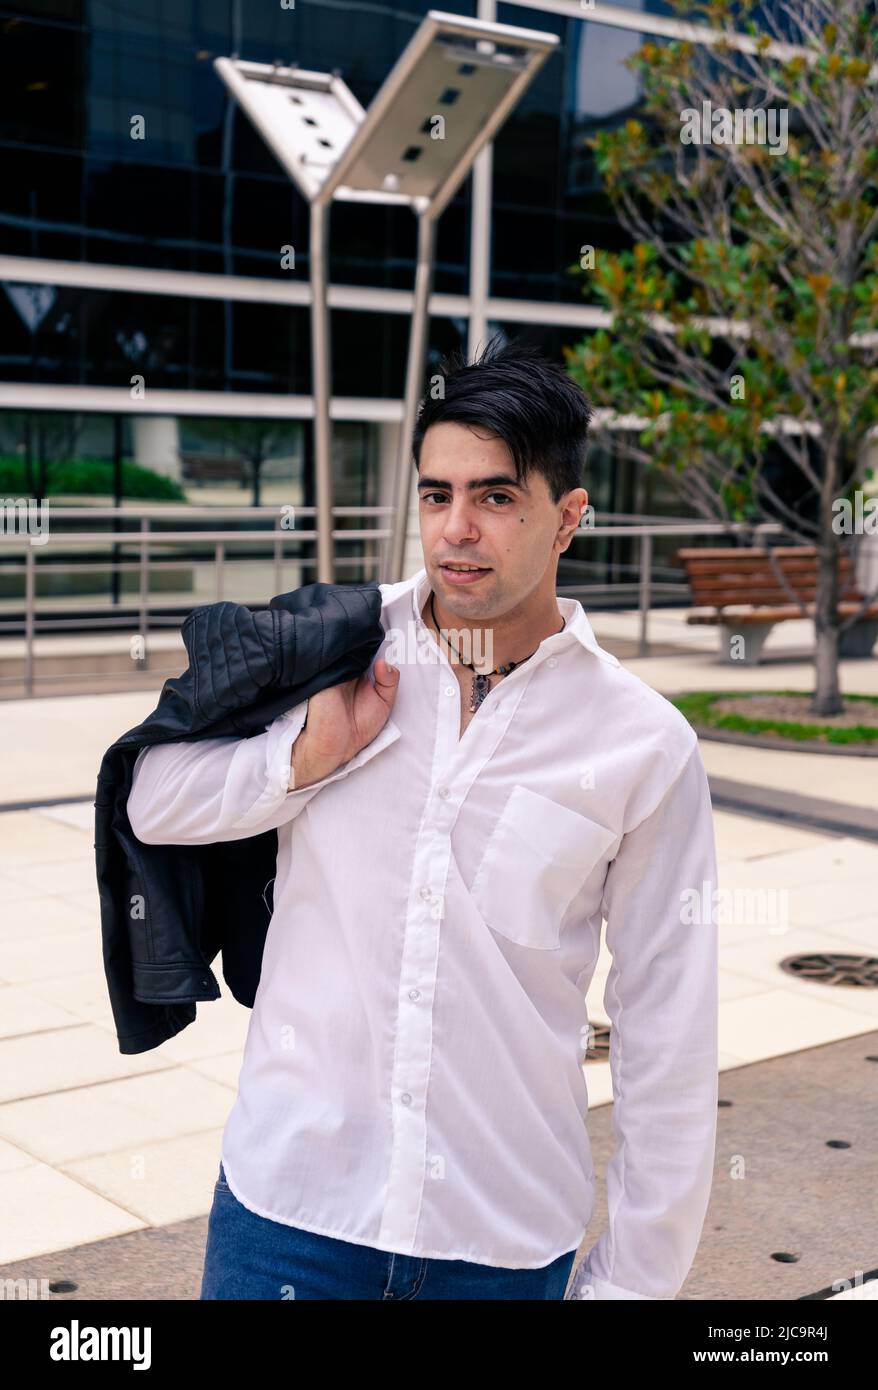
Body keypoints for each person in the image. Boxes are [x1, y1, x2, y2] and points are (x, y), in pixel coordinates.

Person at [127, 336, 719, 1301]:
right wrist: (302, 759)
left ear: (568, 519)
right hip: (291, 1217)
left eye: (495, 498)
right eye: (437, 495)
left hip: (501, 1243)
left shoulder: (642, 745)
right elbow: (151, 800)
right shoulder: (335, 649)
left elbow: (669, 1033)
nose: (456, 530)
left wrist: (631, 1285)